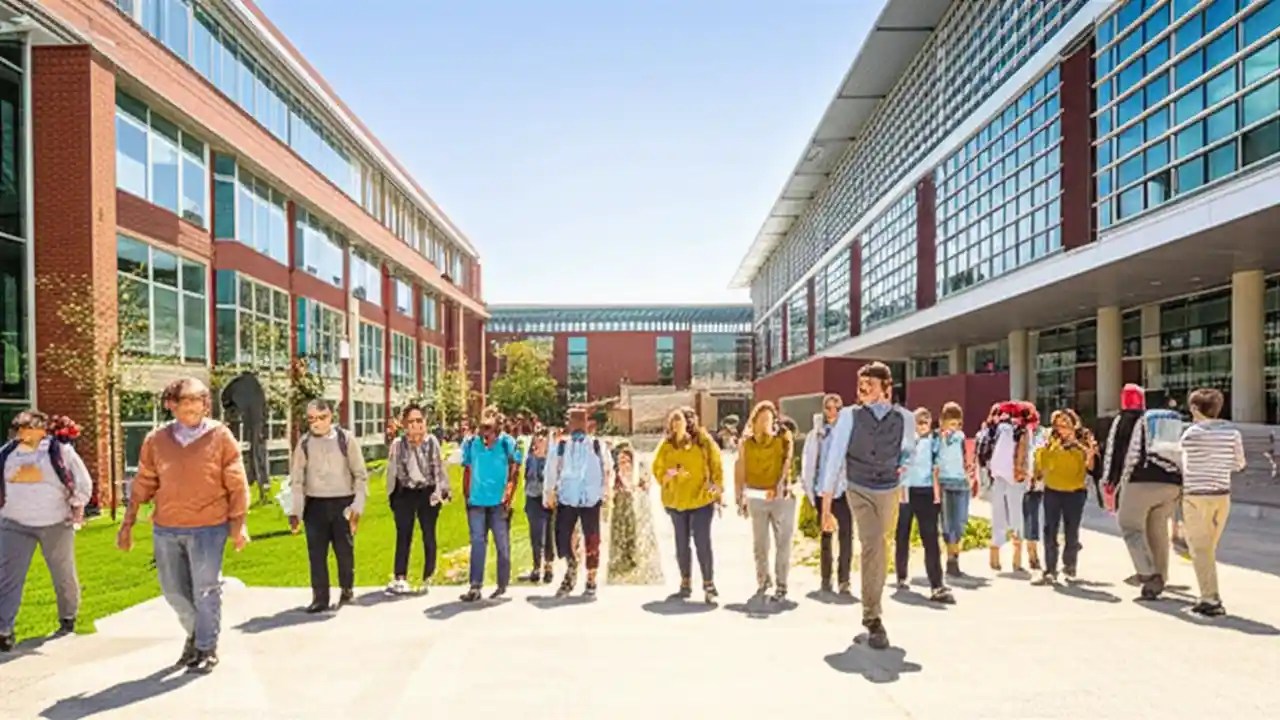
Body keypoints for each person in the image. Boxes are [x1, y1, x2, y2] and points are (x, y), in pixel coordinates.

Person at [117, 378, 250, 673]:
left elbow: (237, 483)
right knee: (173, 590)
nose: (191, 407)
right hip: (166, 527)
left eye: (197, 401)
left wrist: (239, 524)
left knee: (206, 588)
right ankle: (195, 633)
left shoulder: (221, 436)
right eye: (184, 401)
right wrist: (127, 524)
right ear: (171, 405)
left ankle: (205, 647)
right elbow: (144, 482)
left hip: (208, 526)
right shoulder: (156, 440)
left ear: (206, 404)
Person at [819, 362, 916, 650]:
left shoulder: (906, 419)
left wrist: (904, 471)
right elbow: (834, 459)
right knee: (872, 541)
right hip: (858, 487)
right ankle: (873, 618)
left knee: (881, 547)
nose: (862, 391)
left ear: (886, 387)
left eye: (869, 385)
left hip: (888, 488)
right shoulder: (850, 416)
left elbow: (909, 453)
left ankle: (872, 604)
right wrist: (825, 508)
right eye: (860, 386)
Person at [0, 412, 93, 652]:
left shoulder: (60, 452)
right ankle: (4, 630)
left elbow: (83, 482)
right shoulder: (6, 454)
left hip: (55, 523)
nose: (22, 433)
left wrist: (77, 505)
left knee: (63, 573)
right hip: (14, 523)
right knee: (8, 578)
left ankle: (67, 618)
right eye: (18, 428)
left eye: (28, 428)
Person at [288, 399, 368, 612]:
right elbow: (297, 480)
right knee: (316, 553)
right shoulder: (304, 444)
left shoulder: (345, 439)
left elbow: (360, 475)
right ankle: (320, 598)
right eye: (311, 418)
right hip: (315, 505)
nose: (316, 423)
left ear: (330, 416)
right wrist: (295, 511)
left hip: (343, 501)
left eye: (321, 418)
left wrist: (357, 507)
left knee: (344, 550)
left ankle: (347, 590)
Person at [1178, 388, 1244, 617]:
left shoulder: (1190, 434)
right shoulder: (1232, 434)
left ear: (1195, 409)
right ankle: (1208, 593)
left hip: (1196, 496)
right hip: (1222, 495)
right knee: (1209, 548)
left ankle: (1210, 599)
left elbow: (1181, 462)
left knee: (1201, 549)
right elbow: (1239, 464)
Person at [1113, 397, 1184, 601]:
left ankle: (1147, 571)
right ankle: (1160, 577)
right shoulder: (1178, 422)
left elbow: (1134, 454)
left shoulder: (1144, 421)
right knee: (1158, 530)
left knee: (1129, 525)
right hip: (1172, 483)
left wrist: (1124, 480)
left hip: (1142, 481)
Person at [652, 407, 723, 604]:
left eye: (683, 421)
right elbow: (658, 470)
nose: (679, 426)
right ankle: (685, 583)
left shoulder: (704, 442)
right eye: (675, 423)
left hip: (701, 500)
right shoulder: (667, 446)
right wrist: (672, 473)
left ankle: (709, 583)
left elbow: (716, 466)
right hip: (677, 501)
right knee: (681, 544)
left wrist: (716, 490)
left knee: (702, 542)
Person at [544, 408, 610, 598]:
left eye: (580, 422)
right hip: (568, 498)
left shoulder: (597, 445)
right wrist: (549, 492)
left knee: (592, 540)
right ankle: (571, 567)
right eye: (573, 422)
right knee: (562, 538)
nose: (577, 426)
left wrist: (606, 492)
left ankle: (591, 577)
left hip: (590, 499)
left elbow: (607, 468)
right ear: (569, 424)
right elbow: (551, 469)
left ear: (587, 424)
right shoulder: (562, 446)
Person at [385, 403, 448, 595]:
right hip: (405, 492)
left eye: (419, 421)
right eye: (411, 422)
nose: (416, 426)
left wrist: (439, 492)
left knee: (428, 534)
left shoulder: (432, 442)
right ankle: (400, 577)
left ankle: (428, 576)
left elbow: (438, 469)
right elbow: (391, 472)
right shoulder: (398, 445)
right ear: (404, 424)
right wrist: (392, 497)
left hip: (427, 492)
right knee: (403, 534)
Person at [735, 401, 796, 601]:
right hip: (757, 497)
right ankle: (763, 579)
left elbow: (787, 463)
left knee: (783, 543)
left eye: (769, 419)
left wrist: (780, 487)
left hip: (779, 497)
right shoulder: (746, 443)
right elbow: (740, 468)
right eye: (761, 420)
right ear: (754, 421)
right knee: (760, 543)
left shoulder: (782, 439)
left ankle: (782, 583)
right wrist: (739, 496)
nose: (765, 424)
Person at [893, 408, 953, 604]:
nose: (923, 425)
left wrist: (937, 494)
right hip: (907, 491)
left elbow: (938, 465)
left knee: (930, 538)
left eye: (926, 422)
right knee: (903, 535)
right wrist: (901, 490)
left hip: (926, 492)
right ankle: (901, 575)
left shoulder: (934, 441)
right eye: (919, 422)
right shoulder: (907, 443)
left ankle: (937, 583)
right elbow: (900, 466)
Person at [460, 411, 519, 601]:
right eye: (482, 430)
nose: (486, 436)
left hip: (498, 504)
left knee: (502, 544)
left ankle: (502, 585)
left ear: (498, 430)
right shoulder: (471, 444)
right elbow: (468, 471)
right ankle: (475, 586)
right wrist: (467, 497)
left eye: (490, 431)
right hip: (477, 502)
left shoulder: (506, 443)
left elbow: (514, 471)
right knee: (478, 543)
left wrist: (508, 496)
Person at [1032, 410, 1096, 585]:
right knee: (1049, 530)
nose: (1062, 427)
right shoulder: (1050, 441)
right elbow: (1041, 461)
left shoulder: (1083, 440)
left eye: (1066, 423)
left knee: (1071, 530)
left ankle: (1069, 565)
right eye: (1058, 424)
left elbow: (1090, 465)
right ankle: (1050, 569)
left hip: (1075, 492)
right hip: (1052, 490)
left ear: (1074, 423)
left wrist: (1079, 445)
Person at [976, 401, 1037, 572]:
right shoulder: (1022, 430)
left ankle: (994, 558)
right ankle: (1016, 561)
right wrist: (1028, 475)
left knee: (998, 514)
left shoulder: (993, 428)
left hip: (997, 475)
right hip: (1016, 476)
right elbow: (1027, 454)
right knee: (1016, 514)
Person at [802, 394, 851, 594]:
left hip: (843, 491)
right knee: (826, 535)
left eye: (837, 408)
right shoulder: (817, 434)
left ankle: (844, 579)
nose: (832, 412)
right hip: (823, 490)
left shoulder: (847, 432)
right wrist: (811, 489)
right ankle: (825, 578)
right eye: (829, 408)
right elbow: (809, 461)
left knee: (847, 535)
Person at [608, 443, 664, 584]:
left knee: (635, 533)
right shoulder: (616, 475)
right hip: (620, 508)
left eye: (627, 461)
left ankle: (634, 560)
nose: (625, 464)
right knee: (620, 533)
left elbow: (645, 485)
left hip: (636, 508)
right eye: (622, 461)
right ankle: (621, 562)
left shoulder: (638, 472)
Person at [934, 402, 976, 577]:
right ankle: (951, 560)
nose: (954, 427)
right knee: (947, 523)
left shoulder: (960, 437)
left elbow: (966, 459)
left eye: (957, 423)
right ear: (942, 421)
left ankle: (954, 555)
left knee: (960, 521)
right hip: (945, 482)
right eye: (950, 423)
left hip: (961, 483)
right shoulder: (937, 438)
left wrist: (970, 478)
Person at [520, 429, 555, 584]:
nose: (539, 440)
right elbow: (527, 477)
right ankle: (536, 566)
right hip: (533, 497)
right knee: (535, 534)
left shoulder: (551, 460)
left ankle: (549, 566)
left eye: (543, 438)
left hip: (547, 498)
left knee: (549, 534)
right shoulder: (530, 458)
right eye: (537, 438)